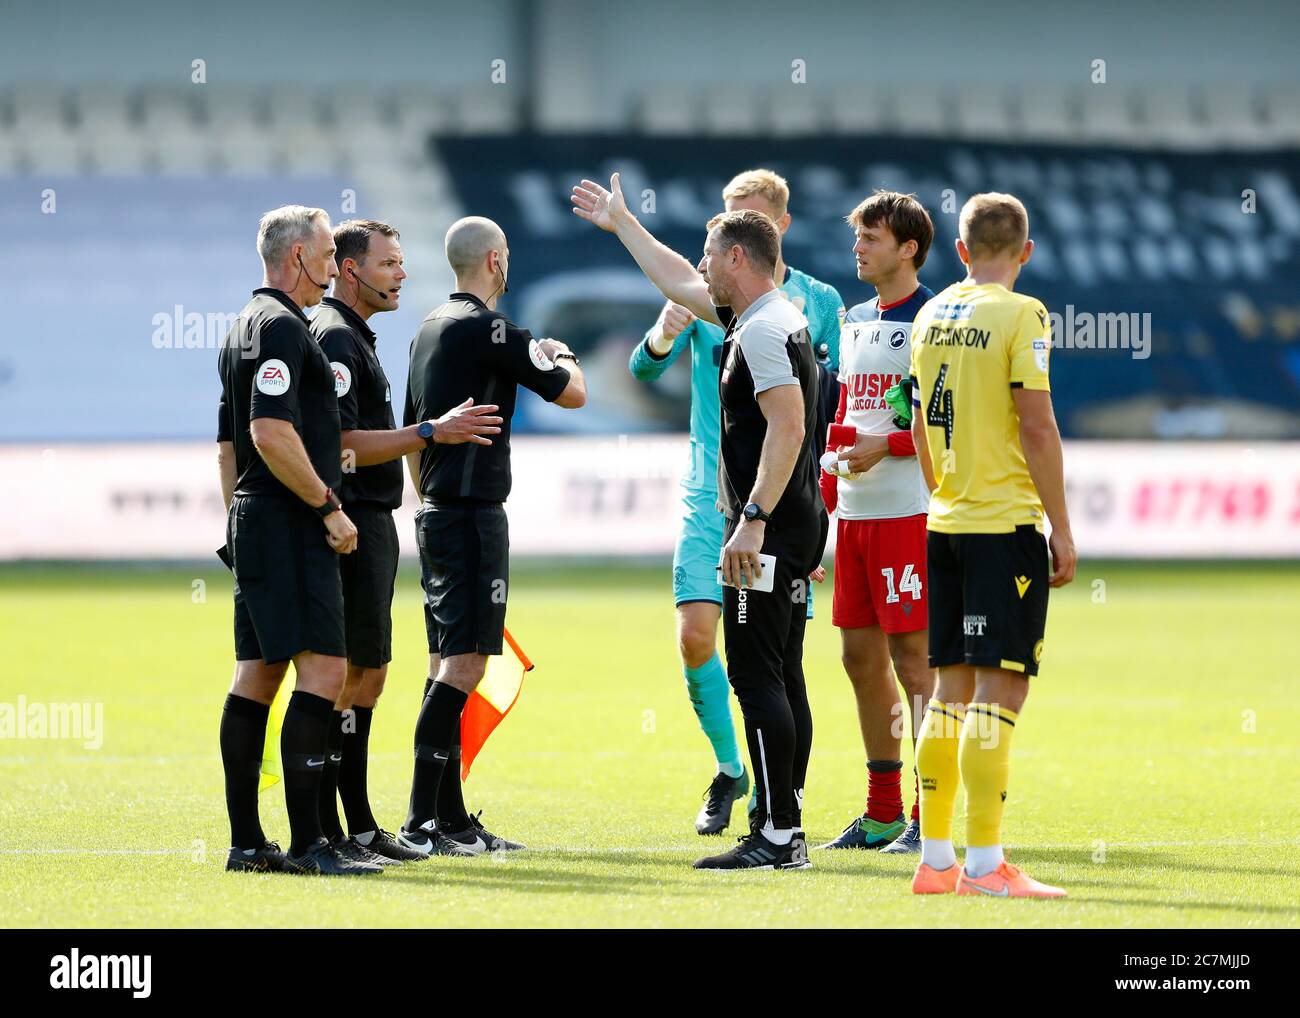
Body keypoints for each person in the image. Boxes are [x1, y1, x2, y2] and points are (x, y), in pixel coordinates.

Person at [574, 175, 827, 871]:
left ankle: (778, 835)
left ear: (739, 260)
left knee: (760, 677)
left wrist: (751, 519)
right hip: (785, 522)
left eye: (711, 257)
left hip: (767, 528)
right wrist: (624, 225)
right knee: (766, 673)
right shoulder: (764, 317)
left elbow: (789, 427)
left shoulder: (766, 330)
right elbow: (677, 281)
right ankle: (781, 825)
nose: (702, 269)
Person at [310, 219, 502, 865]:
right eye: (389, 263)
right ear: (349, 269)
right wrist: (429, 432)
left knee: (366, 674)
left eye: (400, 262)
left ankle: (358, 825)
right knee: (348, 677)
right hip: (354, 522)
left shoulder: (357, 338)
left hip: (374, 521)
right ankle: (344, 827)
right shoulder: (336, 339)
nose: (401, 274)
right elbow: (337, 446)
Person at [397, 216, 587, 857]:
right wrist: (563, 353)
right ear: (497, 263)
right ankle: (423, 820)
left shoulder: (428, 329)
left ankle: (448, 819)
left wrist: (428, 505)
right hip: (472, 516)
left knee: (443, 662)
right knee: (466, 664)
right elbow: (573, 395)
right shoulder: (490, 329)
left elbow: (409, 435)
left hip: (436, 512)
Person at [907, 192, 1077, 897]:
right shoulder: (1023, 314)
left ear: (960, 250)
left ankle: (937, 860)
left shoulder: (929, 314)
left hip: (944, 523)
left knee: (948, 690)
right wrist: (1060, 527)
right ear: (1026, 252)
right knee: (1003, 689)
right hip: (1001, 527)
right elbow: (1036, 427)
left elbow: (918, 425)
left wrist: (945, 489)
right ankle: (985, 865)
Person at [216, 205, 377, 876]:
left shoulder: (243, 328)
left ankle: (250, 844)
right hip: (289, 521)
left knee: (258, 675)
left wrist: (235, 520)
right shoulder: (283, 327)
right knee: (325, 671)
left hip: (258, 518)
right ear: (296, 259)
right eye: (326, 251)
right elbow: (268, 432)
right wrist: (329, 506)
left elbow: (227, 442)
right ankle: (312, 844)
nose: (332, 261)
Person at [815, 191, 936, 854]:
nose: (858, 248)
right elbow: (843, 413)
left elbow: (943, 420)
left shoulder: (935, 317)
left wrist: (884, 448)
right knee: (859, 659)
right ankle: (883, 811)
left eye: (871, 238)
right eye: (857, 237)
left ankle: (931, 810)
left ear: (908, 247)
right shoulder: (855, 318)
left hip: (908, 512)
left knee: (913, 660)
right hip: (856, 519)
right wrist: (825, 499)